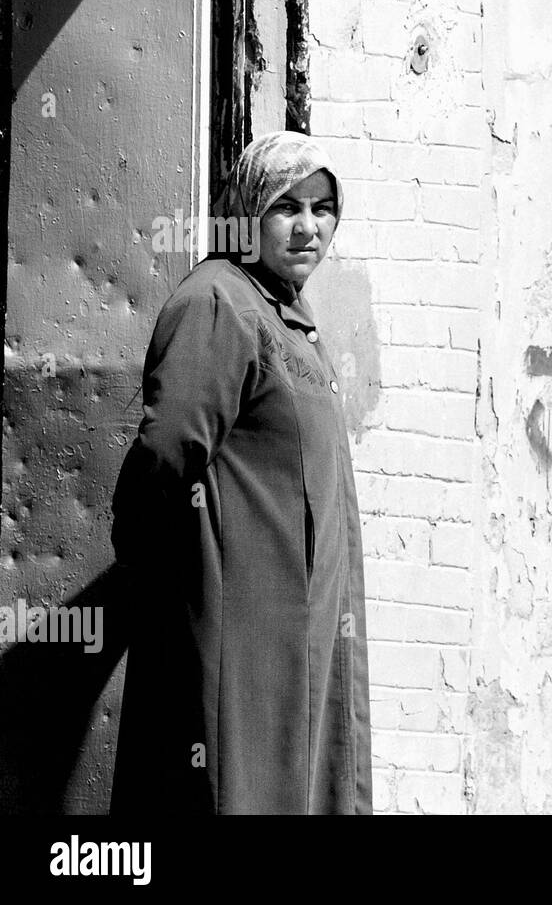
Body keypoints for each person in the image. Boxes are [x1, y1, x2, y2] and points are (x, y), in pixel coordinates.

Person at [109, 131, 372, 814]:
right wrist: (164, 569)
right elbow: (167, 453)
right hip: (244, 641)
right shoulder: (221, 302)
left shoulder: (283, 308)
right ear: (249, 209)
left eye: (323, 207)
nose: (310, 226)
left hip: (293, 641)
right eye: (289, 206)